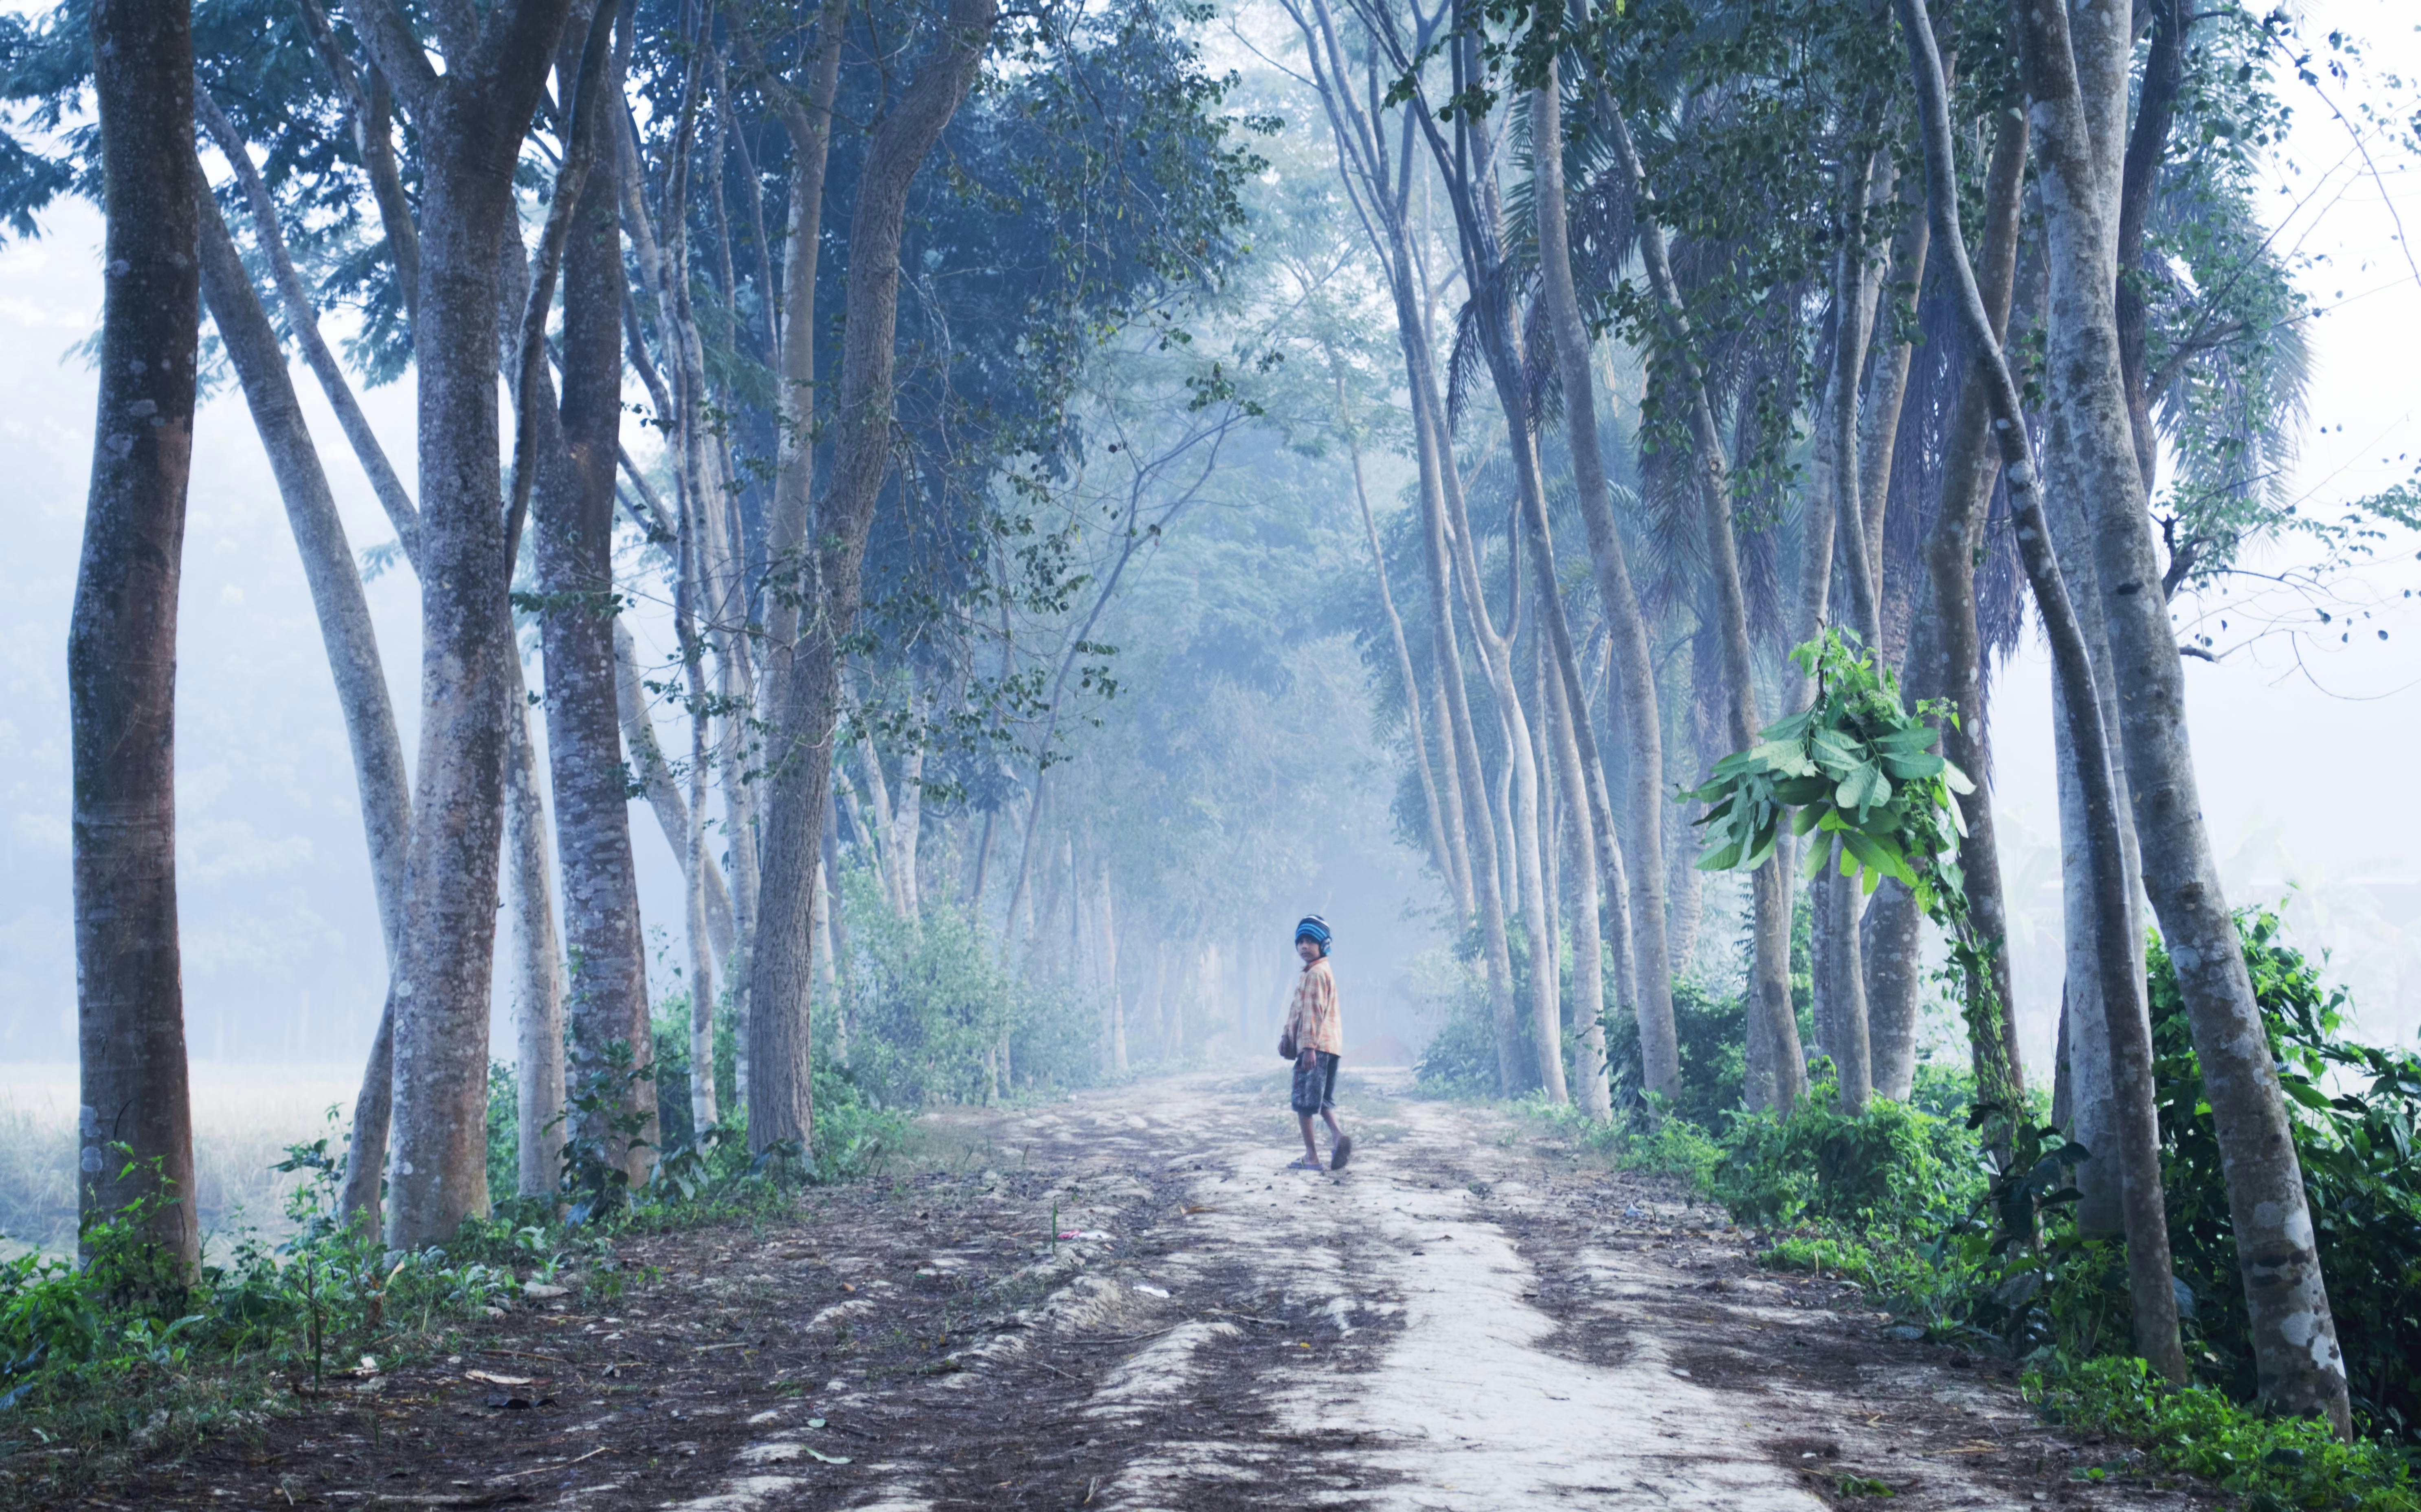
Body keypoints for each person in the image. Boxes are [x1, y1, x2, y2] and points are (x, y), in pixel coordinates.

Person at [1283, 916, 1352, 1171]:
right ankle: (1337, 1136)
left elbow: (1312, 1012)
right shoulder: (1324, 972)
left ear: (1324, 945)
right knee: (1321, 1100)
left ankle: (1312, 1156)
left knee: (1303, 1103)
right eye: (1300, 941)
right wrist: (1287, 1037)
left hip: (1315, 1049)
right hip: (1331, 1048)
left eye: (1310, 940)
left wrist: (1308, 1048)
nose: (1304, 946)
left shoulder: (1314, 974)